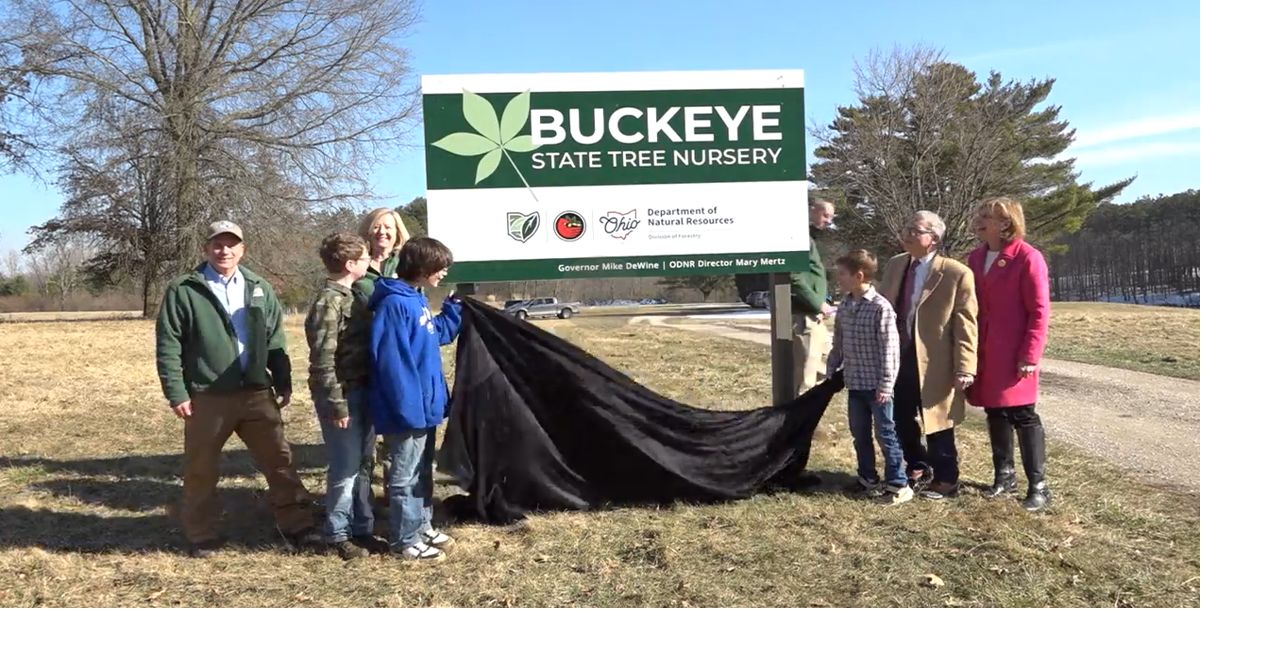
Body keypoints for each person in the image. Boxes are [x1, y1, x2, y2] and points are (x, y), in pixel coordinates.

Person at [155, 220, 321, 557]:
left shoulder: (259, 286)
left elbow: (275, 338)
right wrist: (177, 392)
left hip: (257, 392)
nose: (224, 251)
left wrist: (283, 378)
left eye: (231, 245)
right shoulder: (184, 289)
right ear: (206, 248)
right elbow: (168, 344)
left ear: (242, 250)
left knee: (279, 460)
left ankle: (297, 523)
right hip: (208, 395)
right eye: (217, 244)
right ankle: (202, 532)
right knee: (201, 468)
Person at [366, 236, 463, 560]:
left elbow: (433, 336)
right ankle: (404, 540)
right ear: (422, 267)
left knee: (422, 470)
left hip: (425, 407)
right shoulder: (394, 304)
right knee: (404, 475)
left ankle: (422, 526)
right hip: (408, 410)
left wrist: (453, 310)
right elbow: (392, 363)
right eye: (440, 267)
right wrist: (409, 409)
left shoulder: (415, 298)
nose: (444, 273)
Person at [878, 211, 978, 500]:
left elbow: (966, 323)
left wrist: (965, 367)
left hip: (935, 361)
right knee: (898, 416)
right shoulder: (896, 264)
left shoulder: (956, 273)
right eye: (906, 228)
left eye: (915, 230)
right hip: (897, 355)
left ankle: (947, 479)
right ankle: (918, 465)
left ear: (933, 238)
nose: (907, 234)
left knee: (937, 420)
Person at [965, 197, 1053, 512]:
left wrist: (1030, 354)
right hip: (984, 350)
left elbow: (1039, 311)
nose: (979, 220)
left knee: (1023, 415)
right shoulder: (975, 258)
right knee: (995, 412)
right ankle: (1004, 477)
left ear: (1005, 223)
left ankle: (1039, 487)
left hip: (1014, 351)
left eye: (986, 216)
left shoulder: (1028, 257)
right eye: (979, 214)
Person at [304, 232, 385, 559]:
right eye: (365, 257)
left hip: (364, 391)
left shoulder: (355, 296)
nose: (369, 262)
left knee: (364, 462)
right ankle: (336, 533)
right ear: (351, 264)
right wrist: (336, 405)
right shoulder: (329, 302)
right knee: (345, 466)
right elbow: (322, 361)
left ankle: (362, 527)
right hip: (342, 396)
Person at [826, 250, 910, 505]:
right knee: (859, 434)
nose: (838, 278)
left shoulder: (880, 308)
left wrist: (886, 385)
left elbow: (890, 351)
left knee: (886, 434)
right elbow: (838, 343)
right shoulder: (845, 306)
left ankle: (898, 484)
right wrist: (831, 370)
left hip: (878, 388)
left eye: (842, 274)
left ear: (859, 276)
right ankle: (867, 478)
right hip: (855, 384)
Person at [792, 200, 835, 396]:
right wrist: (817, 303)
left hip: (815, 313)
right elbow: (794, 275)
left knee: (825, 366)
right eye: (825, 215)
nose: (828, 221)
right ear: (812, 210)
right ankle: (798, 413)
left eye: (831, 217)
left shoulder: (811, 236)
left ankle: (809, 409)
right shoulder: (798, 235)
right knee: (806, 378)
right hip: (805, 313)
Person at [353, 207, 411, 299]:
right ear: (367, 232)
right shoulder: (355, 263)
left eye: (388, 227)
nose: (382, 232)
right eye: (376, 227)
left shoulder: (408, 263)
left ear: (397, 232)